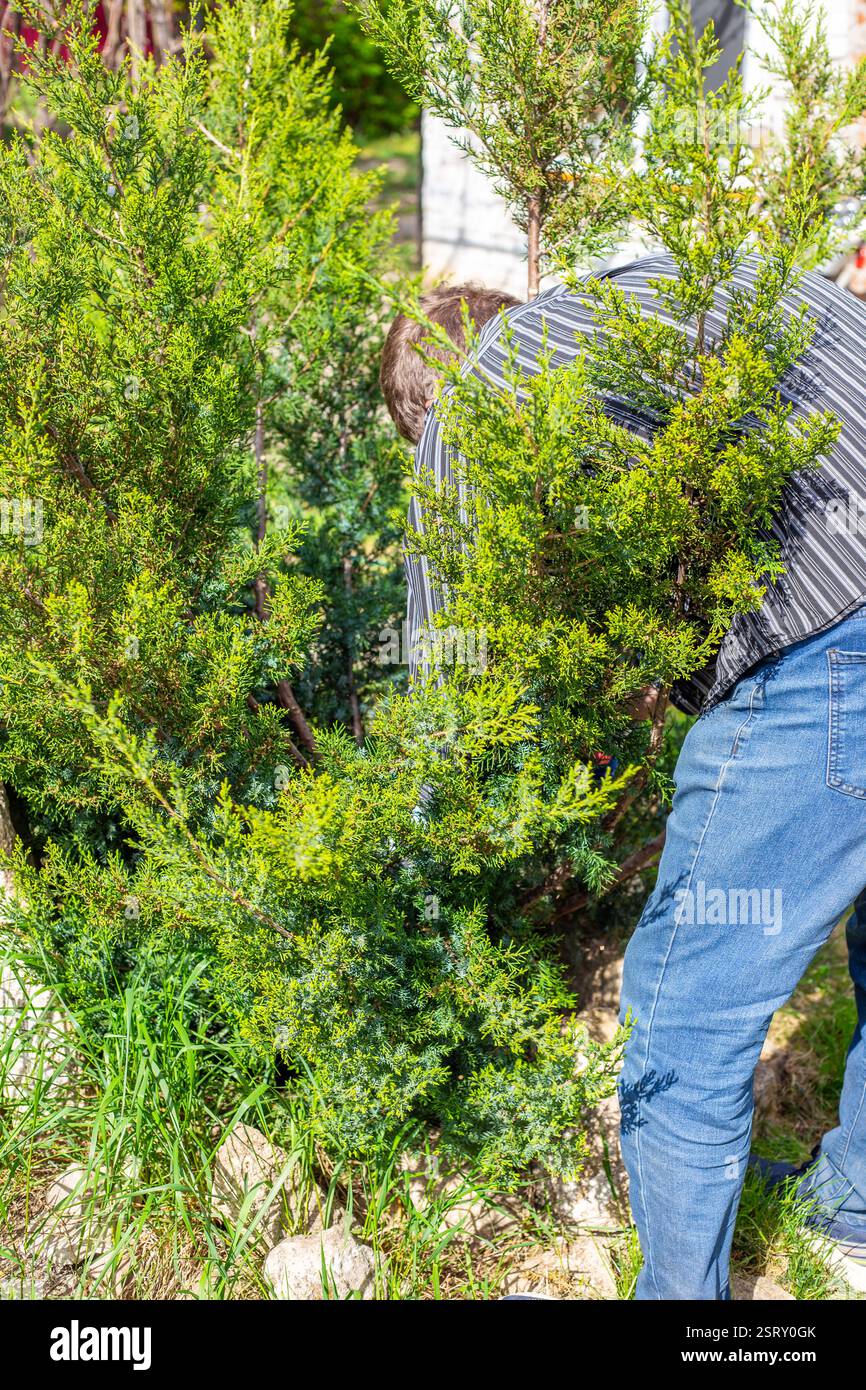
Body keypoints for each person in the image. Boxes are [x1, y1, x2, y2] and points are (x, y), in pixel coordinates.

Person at [380, 254, 866, 1300]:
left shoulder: (479, 405)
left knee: (686, 1000)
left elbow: (447, 693)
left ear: (424, 415)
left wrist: (410, 876)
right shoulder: (636, 305)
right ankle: (853, 1209)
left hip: (836, 622)